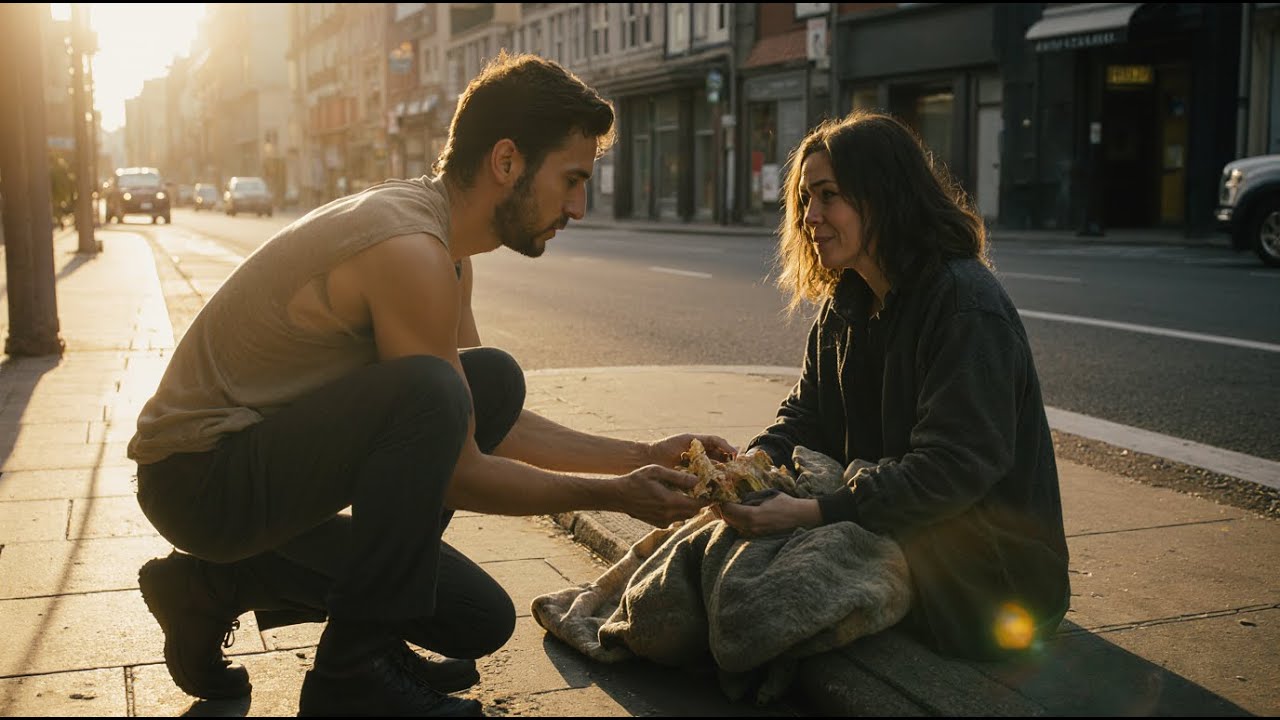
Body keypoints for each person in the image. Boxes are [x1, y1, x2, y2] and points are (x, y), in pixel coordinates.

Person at [128, 51, 728, 717]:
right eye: (572, 180)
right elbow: (457, 466)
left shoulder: (444, 250)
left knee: (477, 604)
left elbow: (468, 423)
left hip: (260, 471)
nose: (580, 206)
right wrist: (612, 495)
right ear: (507, 162)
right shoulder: (410, 250)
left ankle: (217, 586)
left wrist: (642, 455)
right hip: (197, 481)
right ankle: (348, 681)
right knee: (440, 393)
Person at [717, 111, 1071, 661]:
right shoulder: (847, 300)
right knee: (721, 551)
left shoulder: (963, 305)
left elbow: (951, 469)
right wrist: (755, 461)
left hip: (987, 574)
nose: (810, 216)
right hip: (895, 530)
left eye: (827, 195)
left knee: (758, 604)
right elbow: (806, 413)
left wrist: (814, 514)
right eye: (805, 199)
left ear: (883, 196)